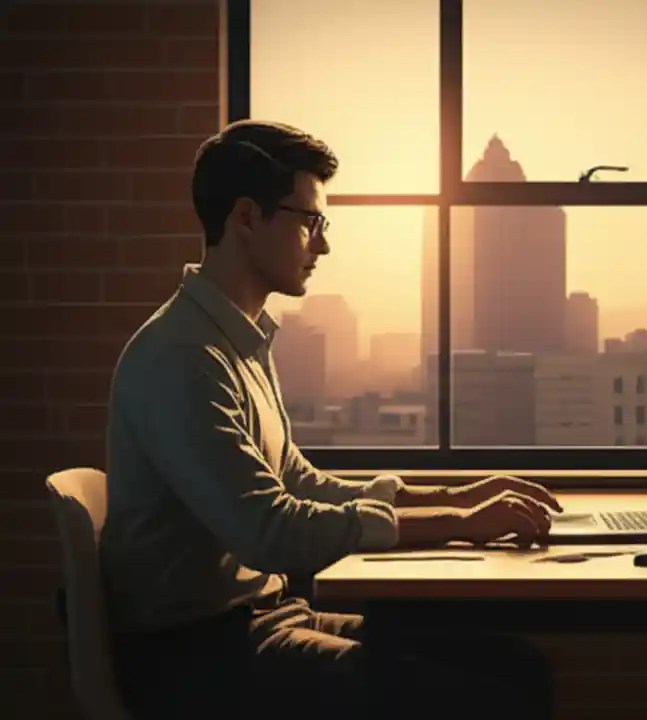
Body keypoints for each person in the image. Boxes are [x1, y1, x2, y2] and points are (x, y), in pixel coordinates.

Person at [100, 119, 559, 719]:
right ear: (246, 217)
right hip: (199, 656)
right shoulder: (185, 358)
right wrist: (462, 522)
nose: (323, 244)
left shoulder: (237, 342)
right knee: (484, 694)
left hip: (265, 618)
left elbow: (298, 481)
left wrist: (455, 496)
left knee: (511, 665)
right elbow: (271, 529)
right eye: (309, 222)